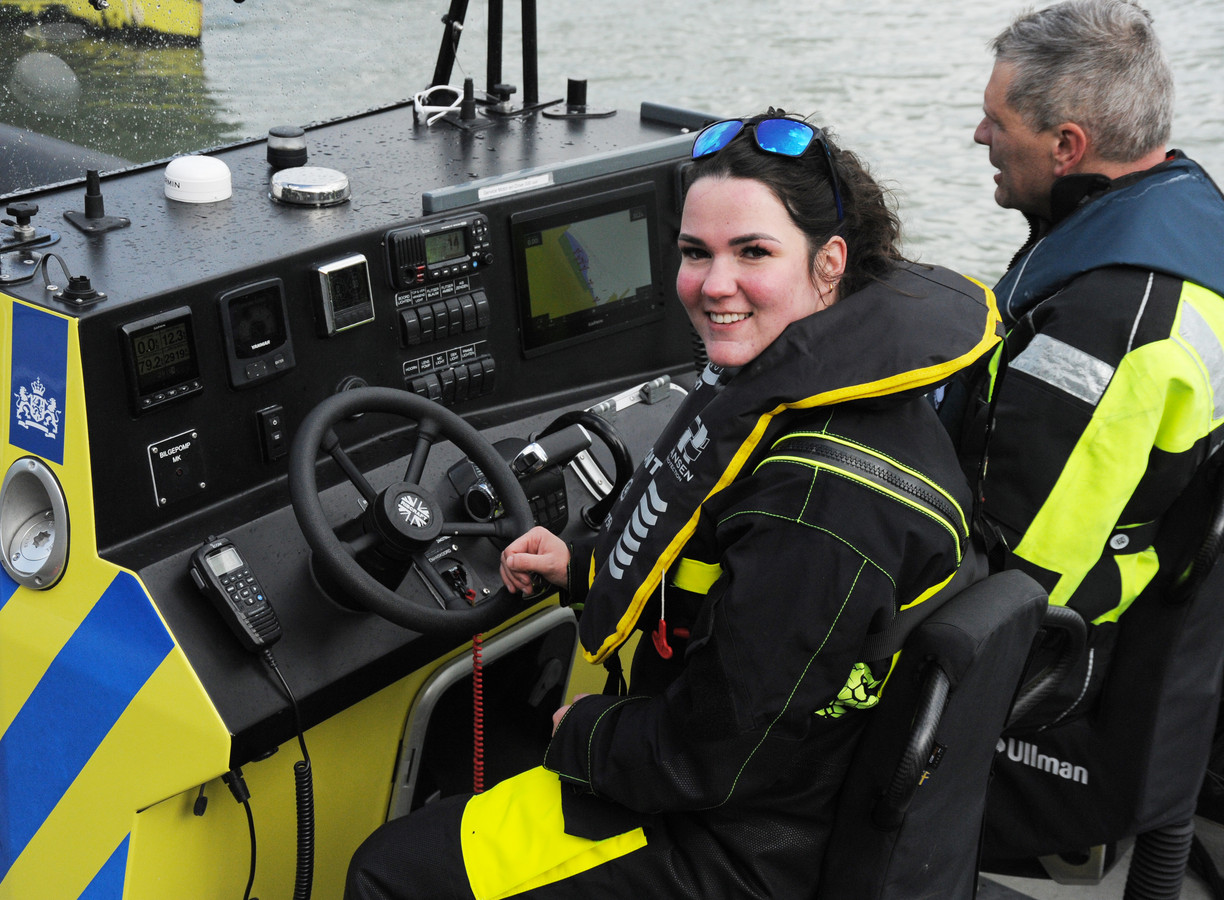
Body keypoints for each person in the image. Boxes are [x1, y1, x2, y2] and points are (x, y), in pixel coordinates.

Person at [345, 110, 999, 900]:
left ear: (829, 263)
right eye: (696, 253)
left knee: (388, 872)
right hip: (793, 790)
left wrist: (587, 738)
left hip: (743, 848)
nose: (714, 285)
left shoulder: (819, 499)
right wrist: (584, 563)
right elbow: (721, 571)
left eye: (752, 252)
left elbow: (714, 755)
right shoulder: (825, 398)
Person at [969, 0, 1224, 868]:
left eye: (996, 121)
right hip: (1167, 638)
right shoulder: (1186, 218)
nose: (978, 136)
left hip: (1067, 682)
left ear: (1068, 147)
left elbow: (1023, 576)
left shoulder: (1111, 321)